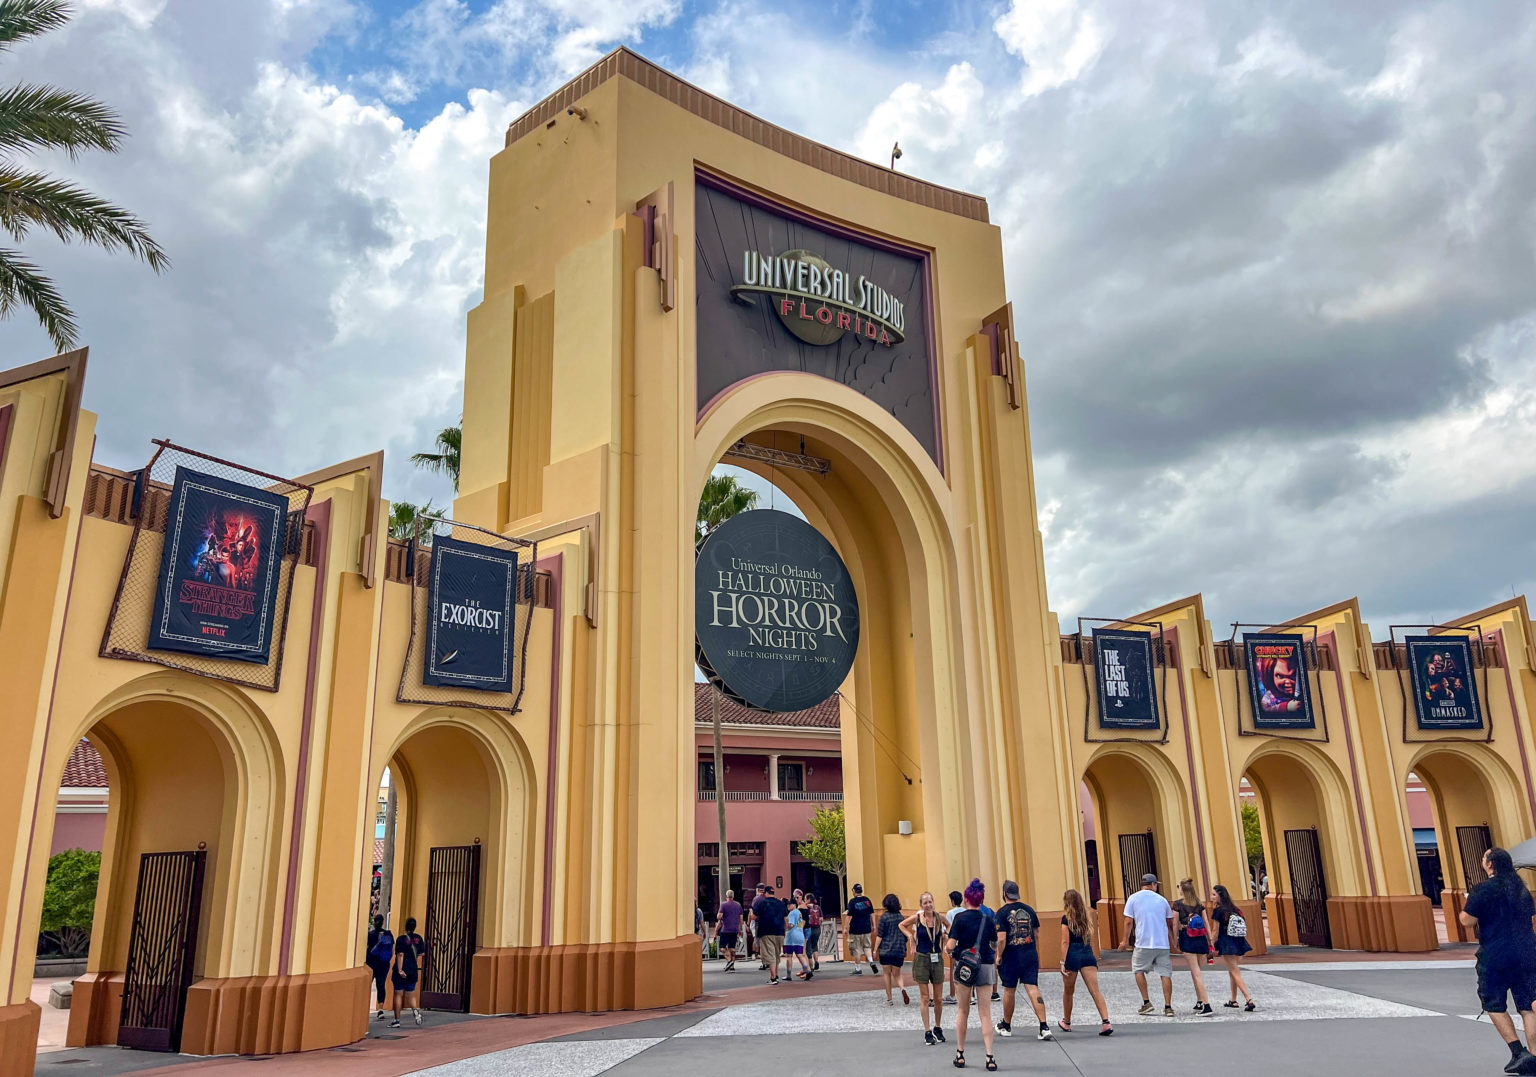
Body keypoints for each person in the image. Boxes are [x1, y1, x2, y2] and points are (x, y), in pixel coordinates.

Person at [1459, 847, 1536, 1074]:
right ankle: (1533, 1056)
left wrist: (1468, 905)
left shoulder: (1483, 890)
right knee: (1528, 1005)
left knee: (1493, 1003)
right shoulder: (1522, 889)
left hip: (1495, 954)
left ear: (1490, 864)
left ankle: (1517, 1051)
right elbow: (1531, 918)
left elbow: (1466, 921)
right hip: (1526, 952)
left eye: (1484, 858)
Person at [946, 879, 998, 1071]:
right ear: (981, 900)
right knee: (985, 1014)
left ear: (966, 899)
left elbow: (951, 946)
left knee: (963, 1011)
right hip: (984, 965)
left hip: (965, 967)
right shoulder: (988, 919)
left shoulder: (960, 919)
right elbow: (994, 944)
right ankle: (990, 1056)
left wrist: (949, 949)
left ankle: (960, 1054)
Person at [994, 880, 1051, 1040]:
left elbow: (1001, 939)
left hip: (1011, 956)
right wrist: (1034, 951)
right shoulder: (1030, 910)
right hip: (1029, 954)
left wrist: (998, 956)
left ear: (1004, 894)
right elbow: (1037, 934)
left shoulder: (1001, 913)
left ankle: (1006, 1024)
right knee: (1032, 988)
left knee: (1009, 990)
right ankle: (1044, 1026)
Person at [1057, 888, 1112, 1035]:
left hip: (1072, 955)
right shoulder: (1086, 918)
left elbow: (1065, 942)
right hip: (1087, 953)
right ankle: (1106, 1021)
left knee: (1069, 991)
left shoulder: (1066, 919)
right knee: (1095, 990)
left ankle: (1067, 1022)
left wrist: (1062, 961)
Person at [1122, 873, 1177, 1017]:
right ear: (1153, 885)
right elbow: (1170, 923)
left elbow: (1128, 921)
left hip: (1143, 942)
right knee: (1165, 974)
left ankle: (1146, 1002)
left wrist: (1125, 940)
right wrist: (1174, 941)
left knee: (1138, 970)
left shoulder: (1133, 898)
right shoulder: (1162, 900)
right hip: (1162, 943)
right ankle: (1168, 1006)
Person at [901, 891, 947, 1045]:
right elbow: (901, 925)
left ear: (934, 902)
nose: (928, 905)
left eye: (930, 901)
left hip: (937, 958)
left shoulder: (939, 918)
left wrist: (946, 937)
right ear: (921, 905)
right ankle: (927, 1031)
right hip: (922, 957)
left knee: (939, 998)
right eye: (925, 902)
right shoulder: (918, 918)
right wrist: (910, 937)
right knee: (925, 997)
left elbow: (950, 926)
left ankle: (938, 1027)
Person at [1172, 877, 1214, 1015]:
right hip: (1201, 938)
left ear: (1182, 890)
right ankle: (1199, 1000)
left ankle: (1206, 1004)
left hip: (1187, 937)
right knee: (1197, 972)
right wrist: (1210, 940)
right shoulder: (1199, 904)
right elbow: (1206, 923)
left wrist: (1175, 939)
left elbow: (1174, 923)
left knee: (1196, 973)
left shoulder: (1178, 905)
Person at [1209, 884, 1255, 1011]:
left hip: (1227, 942)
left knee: (1235, 971)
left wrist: (1211, 944)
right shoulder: (1235, 909)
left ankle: (1249, 999)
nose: (1211, 897)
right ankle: (1233, 1000)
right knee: (1232, 971)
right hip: (1239, 941)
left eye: (1214, 894)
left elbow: (1215, 931)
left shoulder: (1218, 911)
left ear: (1220, 896)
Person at [389, 916, 425, 1028]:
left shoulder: (401, 939)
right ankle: (416, 1012)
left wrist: (400, 970)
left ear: (405, 926)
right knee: (411, 993)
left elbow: (400, 954)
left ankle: (397, 1020)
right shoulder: (418, 938)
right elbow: (422, 953)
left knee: (398, 993)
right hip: (413, 969)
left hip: (402, 969)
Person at [877, 892, 910, 1005]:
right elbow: (905, 934)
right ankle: (902, 988)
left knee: (887, 974)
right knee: (897, 973)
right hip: (898, 949)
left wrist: (875, 948)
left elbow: (880, 935)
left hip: (885, 949)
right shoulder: (900, 917)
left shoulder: (884, 917)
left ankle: (889, 999)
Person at [752, 884, 788, 984]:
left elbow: (754, 917)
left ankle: (773, 977)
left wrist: (751, 912)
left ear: (766, 893)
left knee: (770, 955)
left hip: (766, 932)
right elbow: (786, 919)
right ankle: (776, 975)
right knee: (776, 955)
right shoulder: (781, 904)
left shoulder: (762, 903)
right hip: (780, 932)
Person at [365, 914, 393, 1020]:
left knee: (368, 985)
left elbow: (366, 948)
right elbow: (392, 949)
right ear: (382, 922)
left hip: (371, 963)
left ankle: (365, 1006)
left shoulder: (370, 935)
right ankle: (381, 1008)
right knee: (381, 985)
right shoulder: (388, 934)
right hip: (383, 963)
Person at [846, 883, 877, 974]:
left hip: (855, 929)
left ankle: (858, 968)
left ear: (854, 891)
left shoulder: (852, 902)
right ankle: (871, 962)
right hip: (867, 928)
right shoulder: (867, 900)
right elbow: (872, 914)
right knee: (867, 946)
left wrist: (845, 927)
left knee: (856, 949)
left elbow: (848, 916)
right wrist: (874, 925)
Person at [784, 896, 814, 981]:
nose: (788, 906)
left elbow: (791, 925)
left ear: (794, 905)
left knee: (789, 956)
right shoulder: (799, 913)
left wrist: (786, 923)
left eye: (790, 904)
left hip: (791, 936)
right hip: (800, 934)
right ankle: (808, 970)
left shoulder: (792, 913)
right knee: (800, 955)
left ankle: (788, 975)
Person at [944, 890, 964, 1003]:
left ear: (952, 901)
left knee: (953, 969)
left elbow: (948, 930)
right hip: (966, 943)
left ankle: (952, 994)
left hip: (955, 943)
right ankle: (971, 995)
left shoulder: (950, 913)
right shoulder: (966, 911)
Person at [716, 889, 743, 973]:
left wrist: (719, 916)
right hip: (734, 929)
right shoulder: (738, 905)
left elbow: (719, 916)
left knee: (722, 947)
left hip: (725, 929)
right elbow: (741, 919)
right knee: (732, 948)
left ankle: (729, 960)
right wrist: (740, 929)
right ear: (733, 896)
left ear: (726, 896)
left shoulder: (723, 905)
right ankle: (732, 967)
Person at [804, 892, 822, 971]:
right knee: (815, 945)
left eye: (805, 899)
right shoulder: (817, 907)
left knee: (808, 948)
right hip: (817, 929)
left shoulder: (805, 907)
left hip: (808, 929)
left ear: (808, 899)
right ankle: (816, 961)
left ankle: (810, 967)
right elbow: (821, 919)